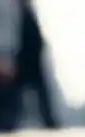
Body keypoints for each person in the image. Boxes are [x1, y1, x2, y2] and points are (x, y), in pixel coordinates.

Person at [14, 0, 58, 129]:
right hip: (27, 60)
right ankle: (49, 121)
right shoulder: (23, 17)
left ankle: (49, 121)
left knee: (34, 93)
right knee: (35, 93)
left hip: (28, 60)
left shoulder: (24, 17)